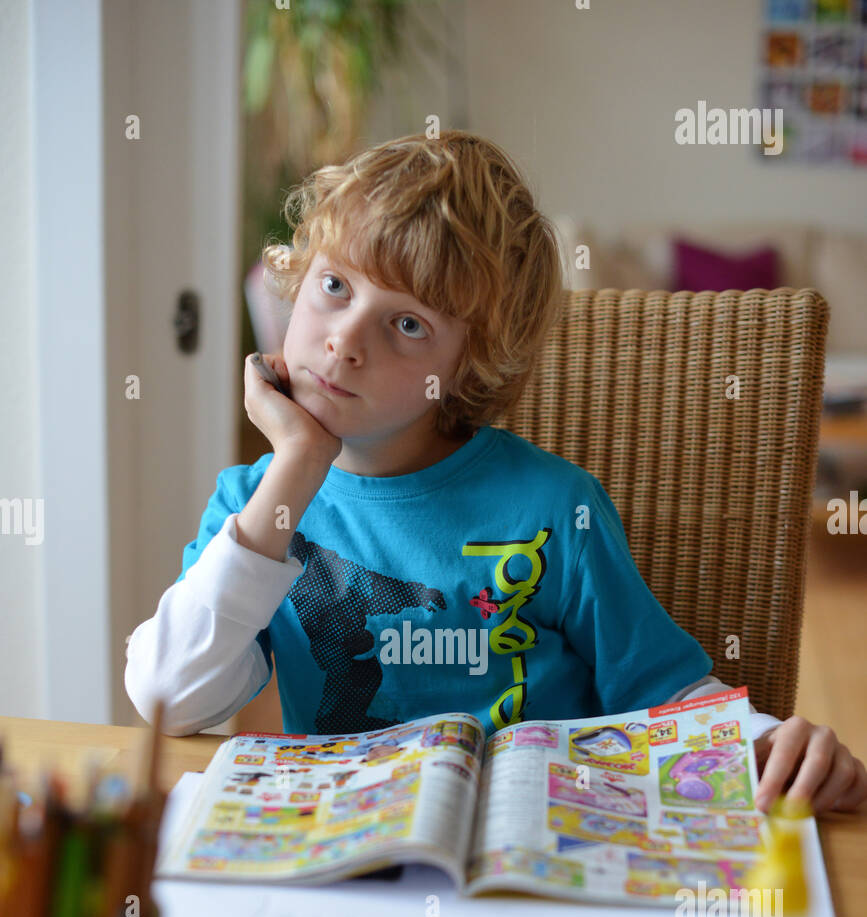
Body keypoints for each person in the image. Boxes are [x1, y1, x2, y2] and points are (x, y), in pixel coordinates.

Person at [125, 130, 866, 816]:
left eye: (407, 324)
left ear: (466, 369)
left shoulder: (555, 507)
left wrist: (771, 744)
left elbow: (663, 690)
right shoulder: (257, 506)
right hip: (345, 863)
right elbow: (169, 699)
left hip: (525, 856)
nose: (345, 341)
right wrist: (297, 466)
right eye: (334, 287)